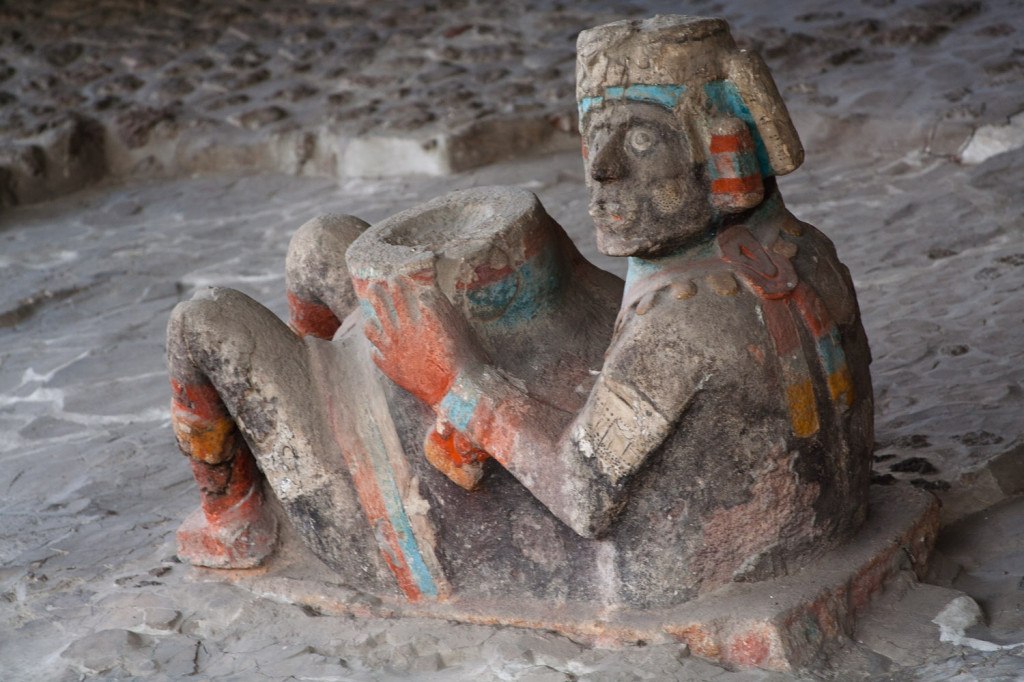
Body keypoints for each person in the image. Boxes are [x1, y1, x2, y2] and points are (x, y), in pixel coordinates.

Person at [167, 15, 873, 609]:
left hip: (627, 570)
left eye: (641, 138)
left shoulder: (680, 327)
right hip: (804, 527)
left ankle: (237, 519)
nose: (598, 170)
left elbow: (583, 494)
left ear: (721, 151)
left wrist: (454, 382)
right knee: (322, 247)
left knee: (203, 322)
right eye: (593, 134)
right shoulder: (804, 253)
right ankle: (333, 394)